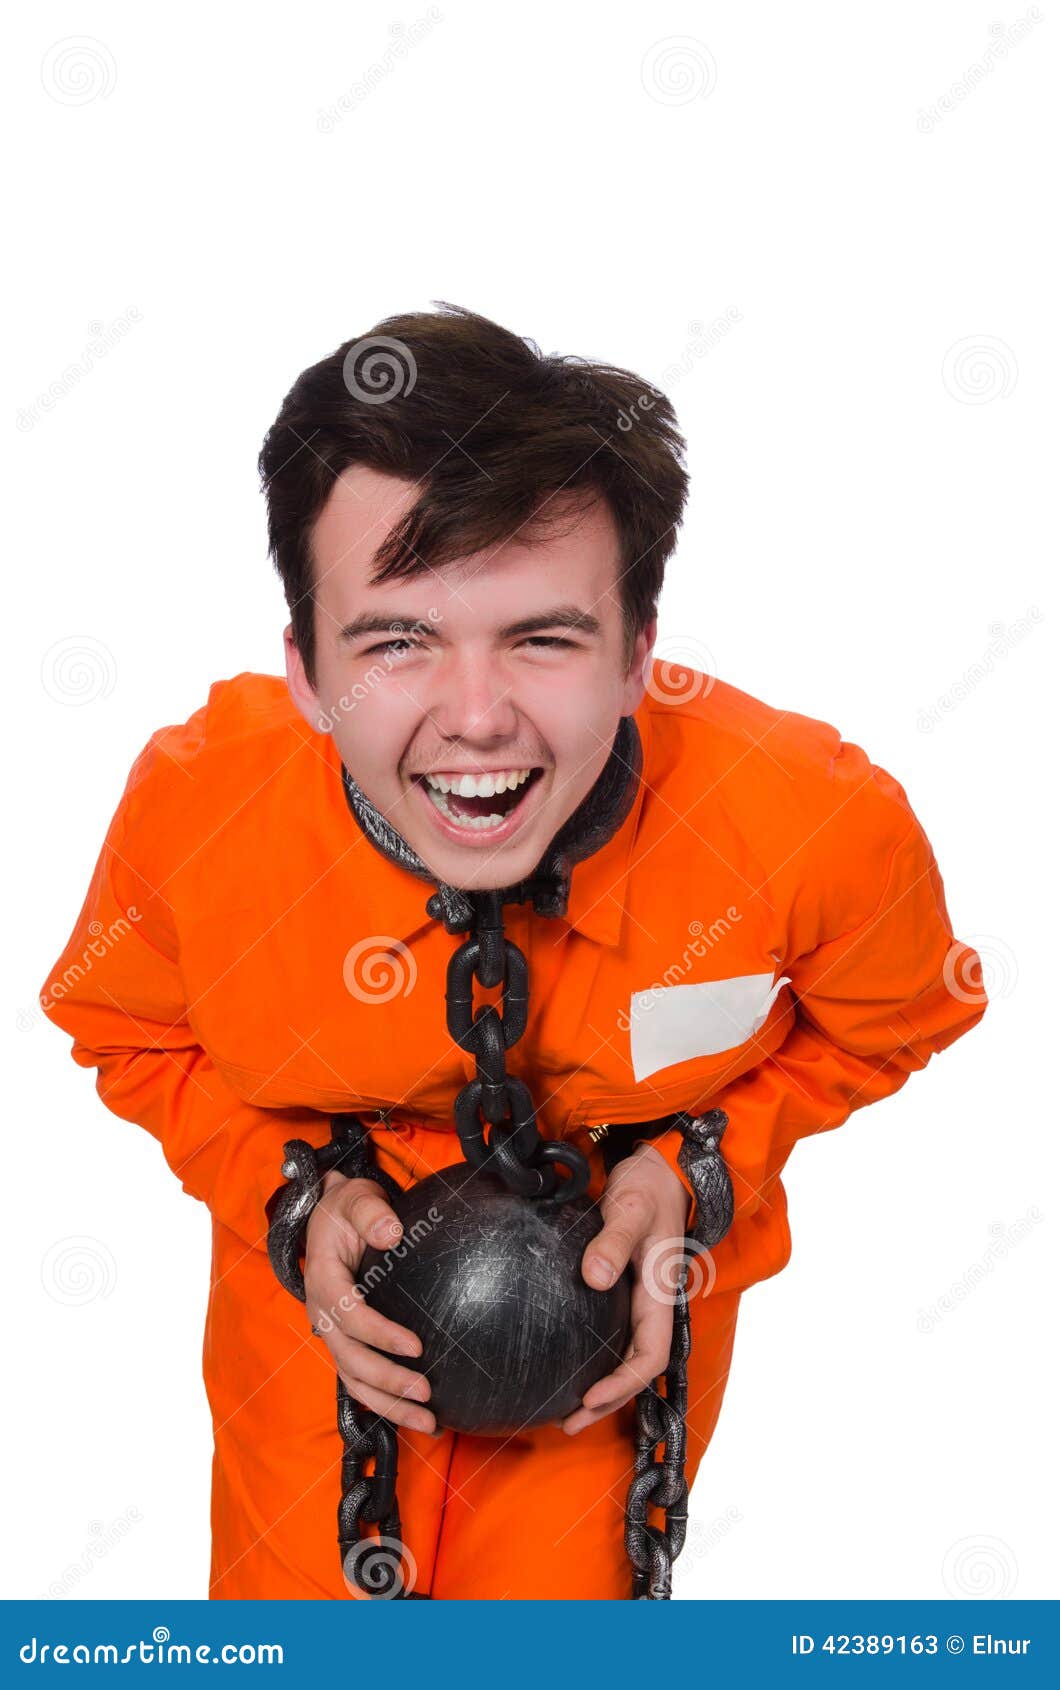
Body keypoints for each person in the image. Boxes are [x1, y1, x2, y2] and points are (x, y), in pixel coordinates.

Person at [39, 303, 987, 1600]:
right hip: (315, 1313)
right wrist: (288, 1190)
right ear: (307, 672)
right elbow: (131, 1029)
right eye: (395, 640)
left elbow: (892, 1020)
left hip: (606, 1305)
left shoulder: (812, 830)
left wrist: (698, 1167)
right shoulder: (201, 814)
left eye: (541, 637)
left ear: (636, 653)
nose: (476, 718)